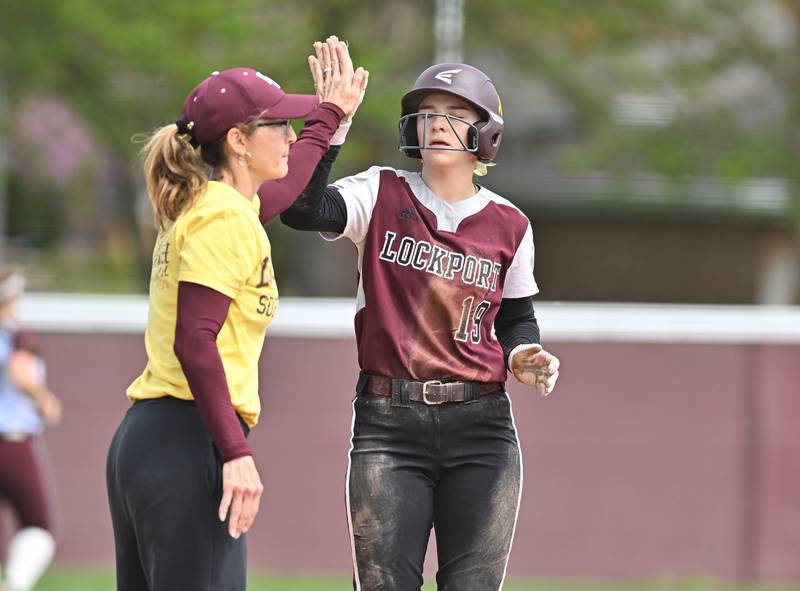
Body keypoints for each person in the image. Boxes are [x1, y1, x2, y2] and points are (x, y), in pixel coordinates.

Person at [281, 46, 561, 591]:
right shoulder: (379, 191)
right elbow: (301, 208)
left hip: (482, 426)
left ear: (487, 133)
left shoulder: (511, 224)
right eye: (429, 113)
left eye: (455, 115)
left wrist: (524, 353)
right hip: (390, 421)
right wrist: (331, 121)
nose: (437, 124)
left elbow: (516, 319)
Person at [105, 55, 367, 591]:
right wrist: (236, 452)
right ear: (239, 142)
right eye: (280, 124)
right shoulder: (223, 217)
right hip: (185, 440)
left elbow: (290, 188)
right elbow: (195, 342)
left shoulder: (218, 207)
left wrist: (332, 118)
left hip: (158, 439)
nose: (292, 136)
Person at [0, 269, 62, 591]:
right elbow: (20, 372)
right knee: (38, 525)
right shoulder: (15, 337)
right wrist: (45, 400)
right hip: (11, 444)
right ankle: (15, 584)